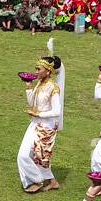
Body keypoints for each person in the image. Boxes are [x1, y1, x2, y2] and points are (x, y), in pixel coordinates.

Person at [18, 54, 64, 193]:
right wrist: (28, 87)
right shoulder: (39, 83)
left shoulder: (53, 88)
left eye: (39, 69)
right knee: (27, 155)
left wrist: (39, 114)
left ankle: (38, 180)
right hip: (35, 124)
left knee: (38, 156)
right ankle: (46, 181)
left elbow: (57, 111)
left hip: (46, 126)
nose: (36, 71)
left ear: (49, 71)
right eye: (36, 68)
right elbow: (32, 103)